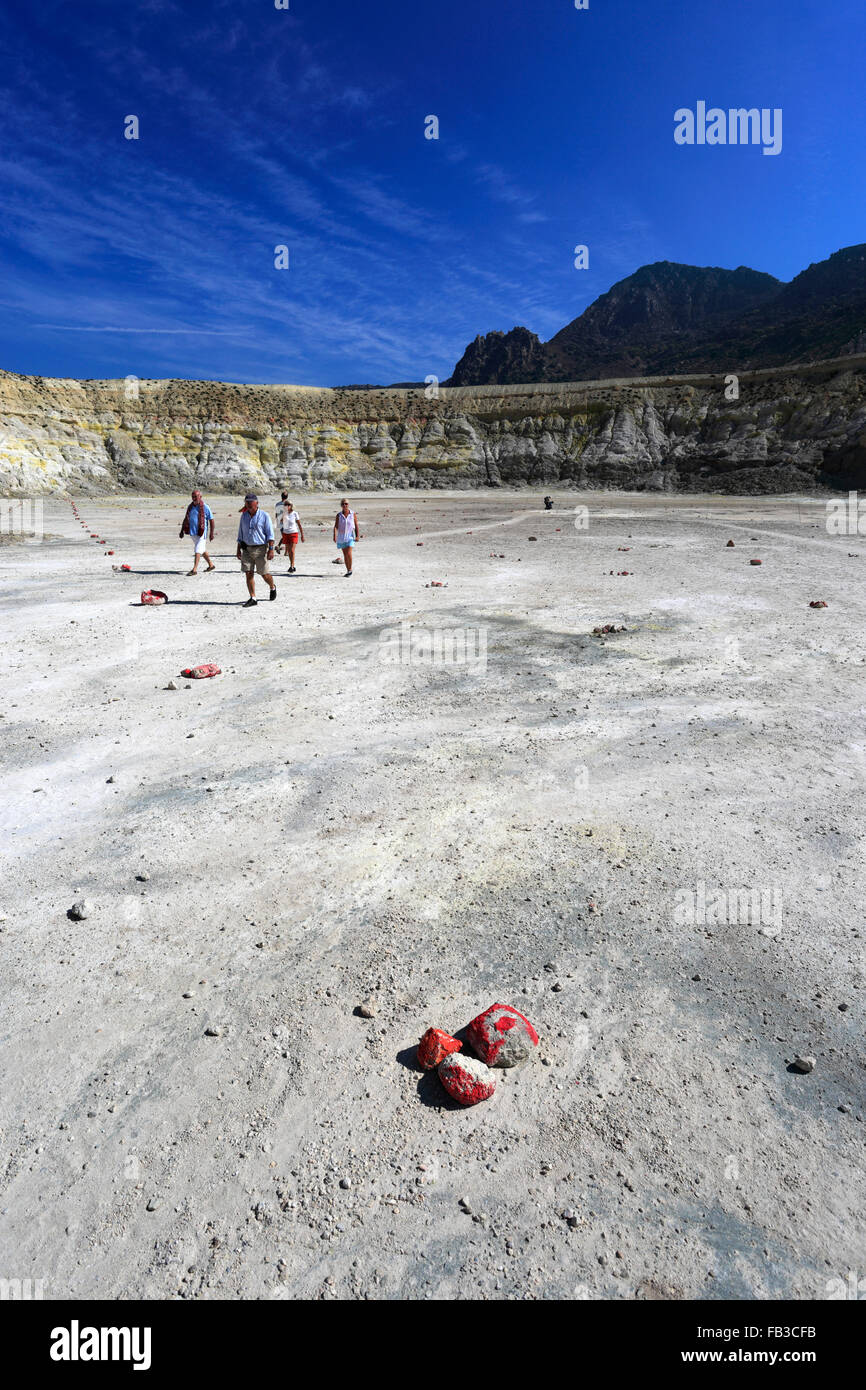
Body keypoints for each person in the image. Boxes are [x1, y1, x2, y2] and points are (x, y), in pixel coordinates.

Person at [236, 493, 277, 606]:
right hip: (246, 548)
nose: (249, 504)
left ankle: (272, 586)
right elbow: (240, 534)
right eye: (247, 502)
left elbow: (270, 535)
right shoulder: (244, 516)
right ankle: (253, 598)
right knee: (248, 573)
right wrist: (238, 549)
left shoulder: (264, 516)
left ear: (257, 503)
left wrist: (271, 549)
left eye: (251, 502)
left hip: (261, 549)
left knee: (264, 574)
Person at [179, 489, 215, 574]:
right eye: (193, 496)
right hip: (193, 532)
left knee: (198, 549)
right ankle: (211, 565)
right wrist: (182, 530)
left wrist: (211, 533)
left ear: (200, 497)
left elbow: (211, 520)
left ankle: (194, 569)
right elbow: (186, 518)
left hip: (202, 532)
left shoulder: (205, 507)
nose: (194, 498)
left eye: (196, 496)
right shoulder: (190, 507)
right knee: (201, 549)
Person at [333, 497, 359, 576]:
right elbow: (336, 526)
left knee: (349, 553)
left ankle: (350, 569)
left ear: (348, 504)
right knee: (345, 554)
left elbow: (356, 525)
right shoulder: (339, 515)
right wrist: (334, 535)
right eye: (343, 504)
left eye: (346, 504)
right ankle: (348, 570)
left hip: (350, 536)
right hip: (341, 537)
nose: (344, 505)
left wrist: (357, 536)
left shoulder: (352, 514)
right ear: (341, 505)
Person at [281, 500, 305, 573]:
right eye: (285, 505)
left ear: (291, 506)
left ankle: (292, 566)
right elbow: (281, 521)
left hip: (293, 533)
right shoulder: (284, 513)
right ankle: (291, 565)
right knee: (289, 551)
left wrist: (302, 535)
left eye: (287, 505)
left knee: (292, 550)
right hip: (286, 533)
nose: (286, 506)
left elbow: (299, 525)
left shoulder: (295, 513)